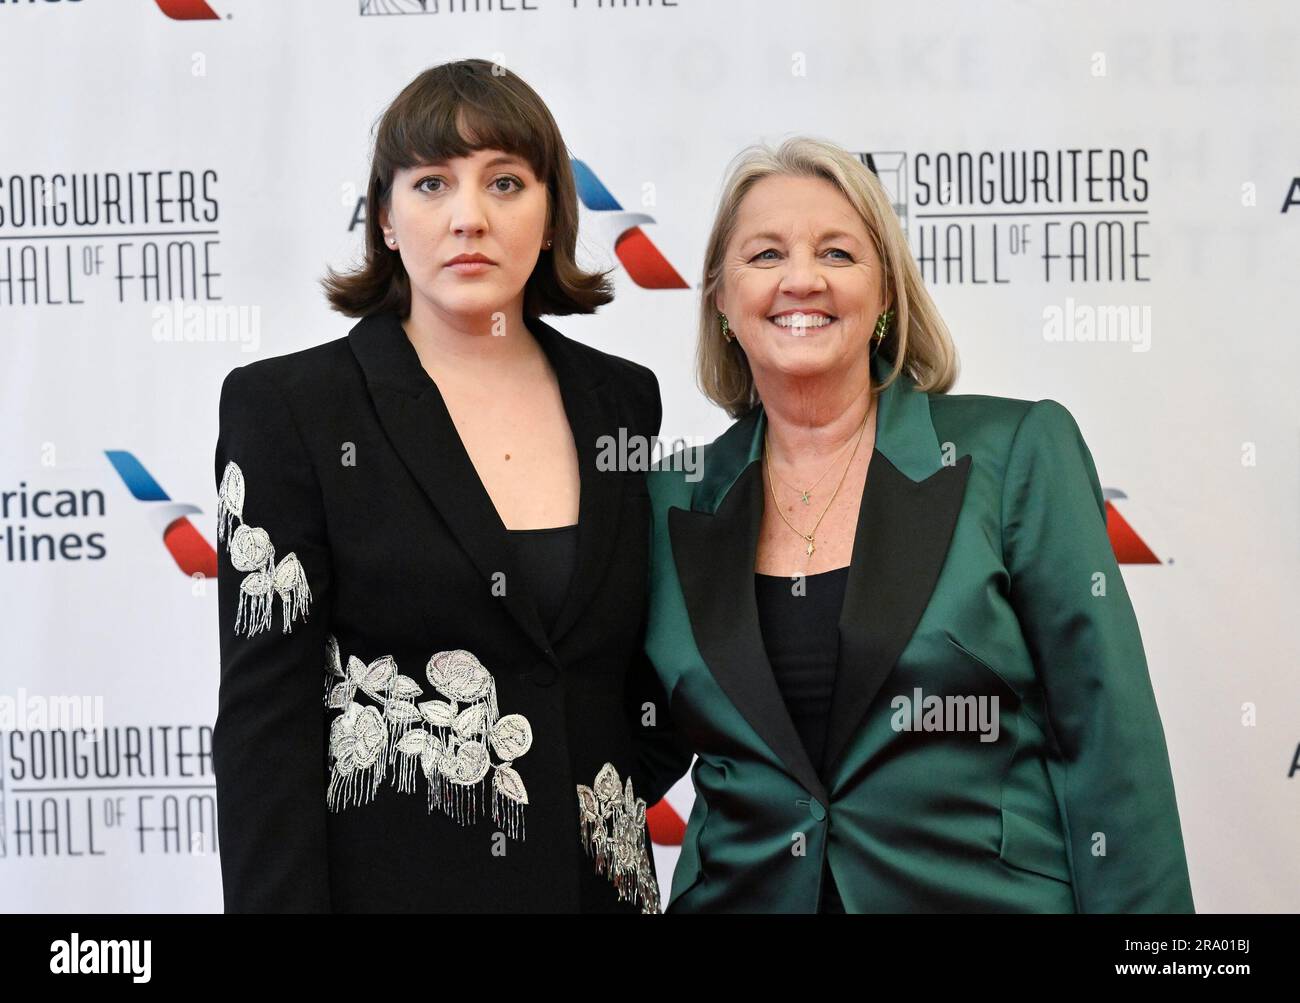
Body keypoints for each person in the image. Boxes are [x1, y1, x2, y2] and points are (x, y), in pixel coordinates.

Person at [639, 136, 1195, 913]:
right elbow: (607, 737)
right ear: (721, 300)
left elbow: (1111, 746)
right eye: (765, 255)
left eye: (837, 252)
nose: (802, 278)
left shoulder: (1015, 454)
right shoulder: (669, 498)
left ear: (886, 296)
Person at [213, 59, 668, 913]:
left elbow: (633, 672)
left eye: (505, 181)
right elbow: (264, 733)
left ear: (550, 214)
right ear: (385, 219)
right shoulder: (289, 409)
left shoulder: (623, 399)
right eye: (431, 184)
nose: (470, 218)